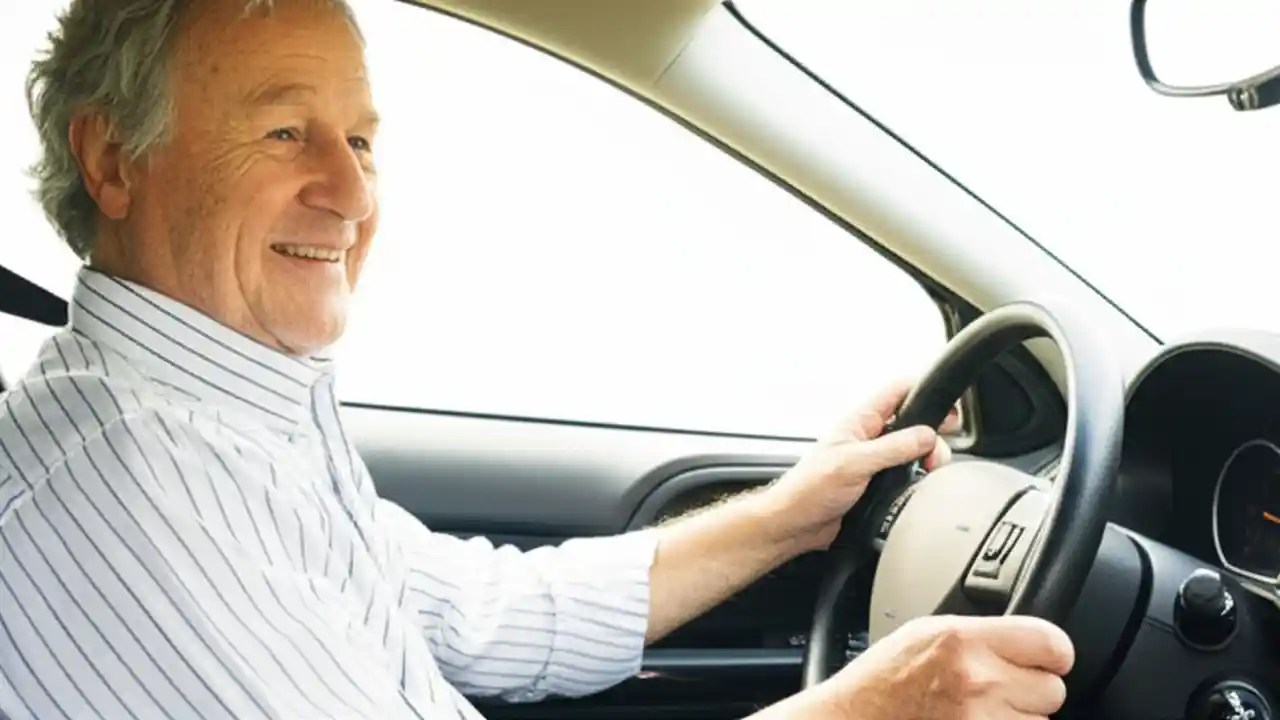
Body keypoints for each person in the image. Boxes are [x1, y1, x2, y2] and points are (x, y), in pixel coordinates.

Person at [0, 1, 1074, 718]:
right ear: (113, 158)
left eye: (360, 141)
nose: (352, 191)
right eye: (285, 133)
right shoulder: (136, 483)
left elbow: (480, 611)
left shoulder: (216, 421)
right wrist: (865, 707)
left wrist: (787, 512)